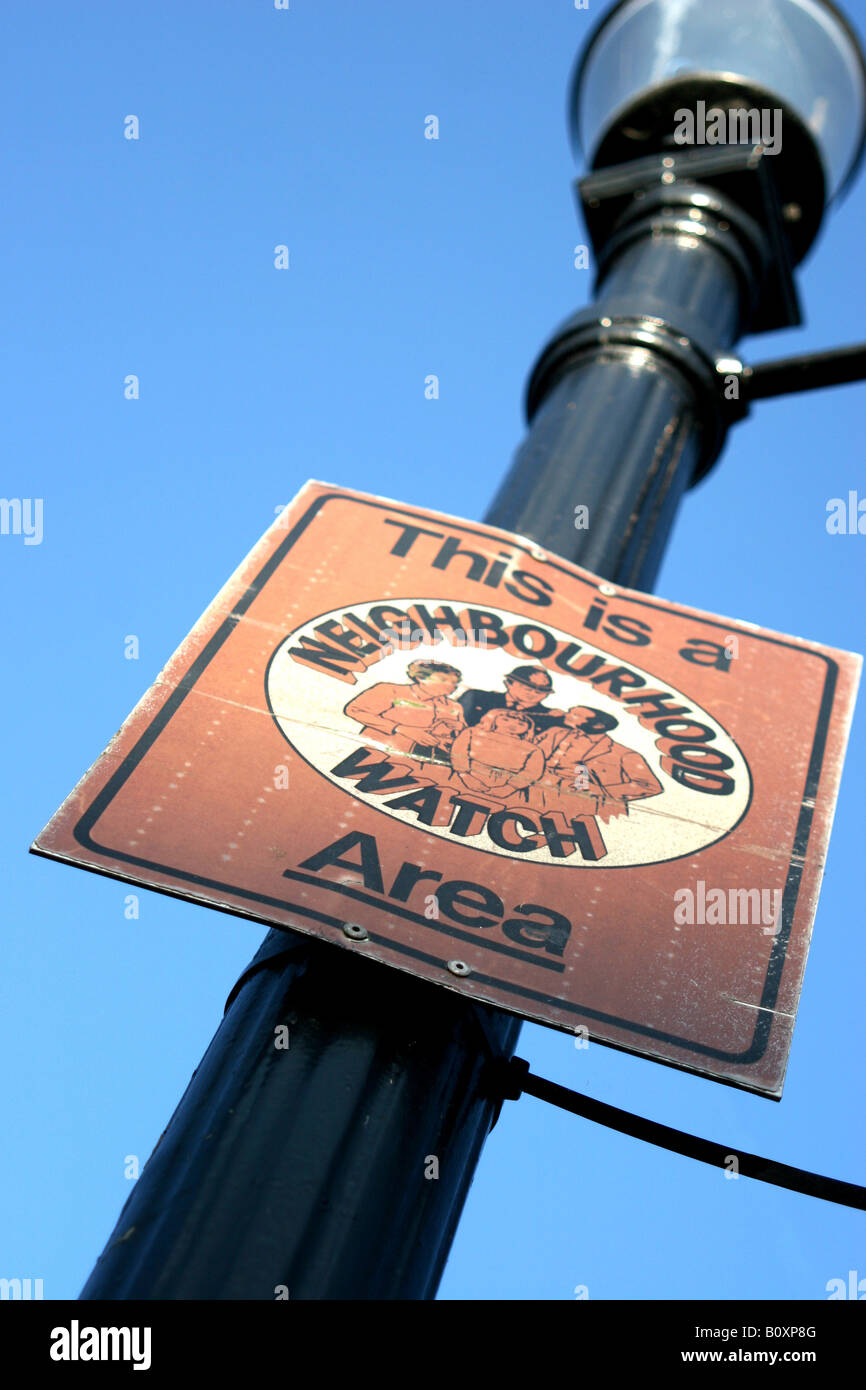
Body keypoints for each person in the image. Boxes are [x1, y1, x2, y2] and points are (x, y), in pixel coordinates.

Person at [531, 705, 662, 824]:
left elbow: (649, 786)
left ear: (597, 725)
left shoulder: (623, 754)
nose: (567, 715)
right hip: (539, 794)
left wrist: (599, 790)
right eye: (570, 712)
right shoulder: (555, 732)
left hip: (586, 806)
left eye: (576, 715)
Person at [343, 659, 465, 759]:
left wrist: (462, 730)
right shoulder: (390, 690)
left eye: (455, 683)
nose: (451, 686)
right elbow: (354, 710)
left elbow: (464, 738)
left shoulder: (453, 706)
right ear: (421, 677)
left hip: (425, 761)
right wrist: (400, 729)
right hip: (375, 752)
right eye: (443, 680)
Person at [449, 709, 546, 807]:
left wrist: (509, 788)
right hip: (465, 778)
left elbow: (532, 772)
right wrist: (466, 777)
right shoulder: (472, 732)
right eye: (505, 720)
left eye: (521, 724)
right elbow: (459, 754)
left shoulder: (532, 749)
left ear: (528, 729)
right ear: (493, 719)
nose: (512, 725)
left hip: (509, 788)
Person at [458, 665, 565, 735]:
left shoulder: (552, 718)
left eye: (540, 691)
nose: (532, 694)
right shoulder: (477, 698)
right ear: (508, 684)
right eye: (527, 688)